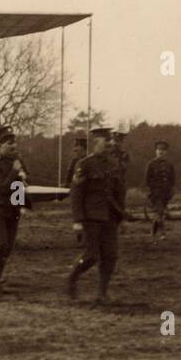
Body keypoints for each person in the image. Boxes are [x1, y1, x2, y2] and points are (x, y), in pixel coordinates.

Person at [66, 127, 127, 301]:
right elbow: (76, 194)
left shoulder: (114, 164)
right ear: (95, 143)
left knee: (111, 255)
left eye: (109, 141)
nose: (109, 144)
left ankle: (102, 293)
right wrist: (77, 220)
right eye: (104, 141)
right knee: (91, 256)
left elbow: (119, 193)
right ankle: (72, 278)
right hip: (90, 216)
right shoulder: (84, 164)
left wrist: (122, 218)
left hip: (110, 216)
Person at [0, 128, 28, 292]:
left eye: (14, 142)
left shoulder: (17, 161)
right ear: (0, 145)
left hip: (12, 210)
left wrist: (20, 204)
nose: (13, 146)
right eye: (9, 143)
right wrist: (15, 171)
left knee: (8, 246)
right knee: (1, 243)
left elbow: (20, 185)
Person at [144, 141, 176, 239]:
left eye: (163, 150)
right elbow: (147, 180)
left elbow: (172, 179)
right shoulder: (151, 164)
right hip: (155, 193)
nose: (161, 152)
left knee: (159, 213)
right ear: (155, 151)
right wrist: (150, 192)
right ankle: (162, 233)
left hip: (165, 193)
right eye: (159, 150)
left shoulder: (169, 165)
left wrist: (171, 191)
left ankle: (153, 231)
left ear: (166, 152)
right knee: (160, 212)